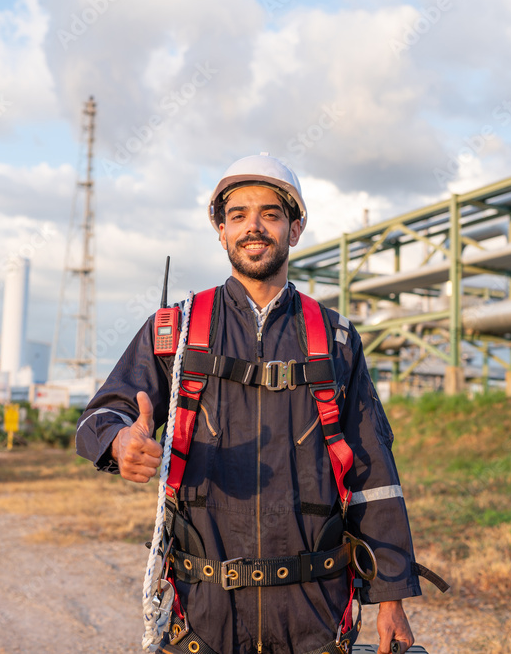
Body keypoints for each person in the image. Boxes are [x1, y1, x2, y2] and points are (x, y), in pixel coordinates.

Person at [77, 154, 432, 654]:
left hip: (315, 612)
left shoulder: (336, 340)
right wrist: (118, 442)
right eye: (238, 215)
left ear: (295, 228)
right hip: (203, 609)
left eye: (270, 213)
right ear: (220, 230)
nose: (254, 227)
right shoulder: (175, 331)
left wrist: (392, 596)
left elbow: (374, 472)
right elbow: (99, 415)